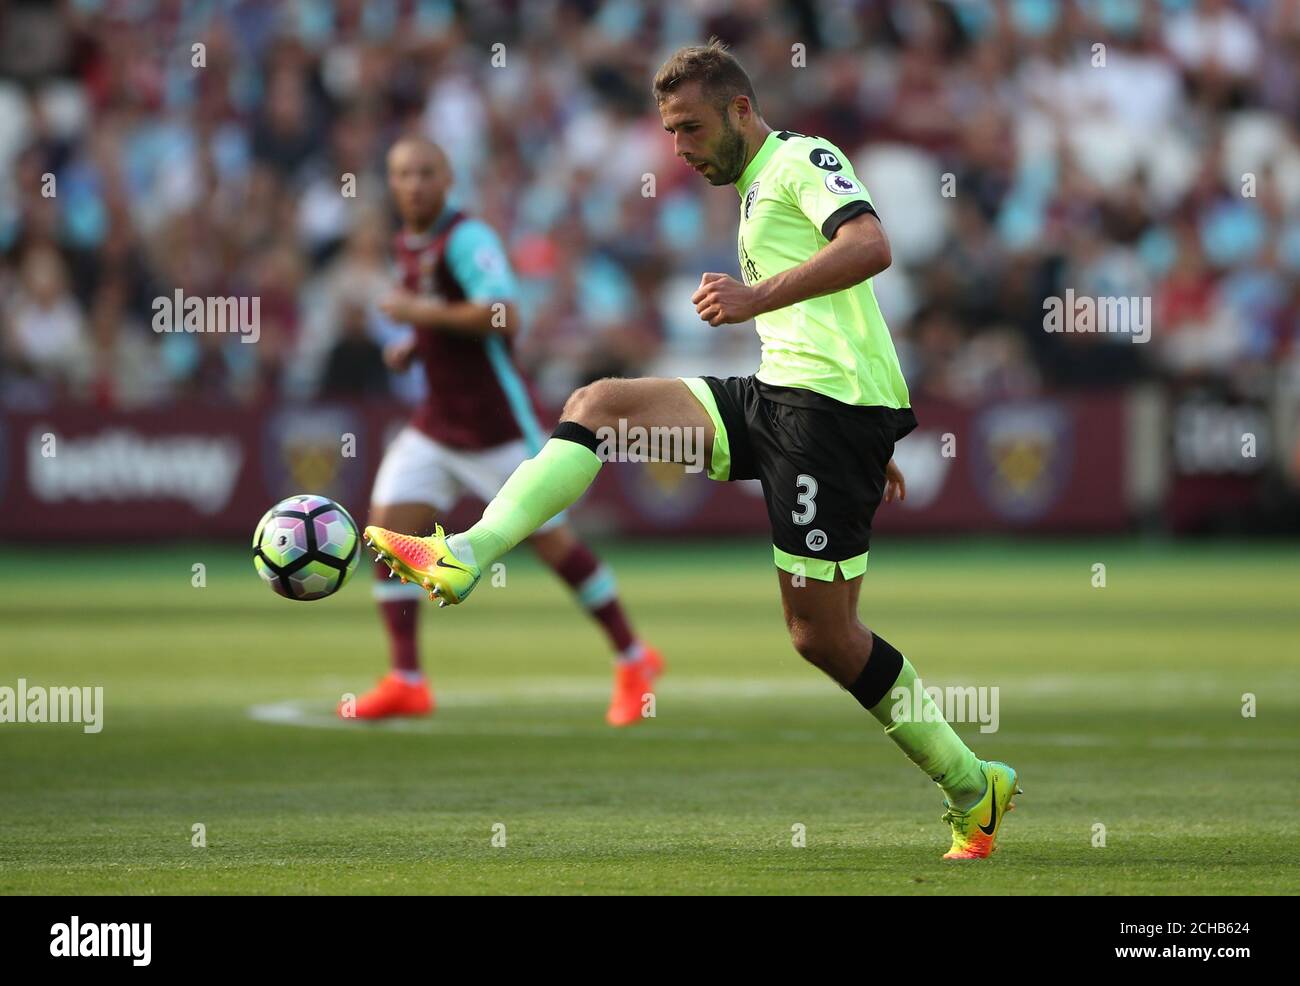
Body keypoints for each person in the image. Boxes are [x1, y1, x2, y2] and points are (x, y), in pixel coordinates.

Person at [365, 45, 1019, 859]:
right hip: (785, 401)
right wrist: (875, 419)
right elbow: (843, 320)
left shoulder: (802, 160)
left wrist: (792, 341)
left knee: (821, 635)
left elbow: (871, 246)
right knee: (598, 407)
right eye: (670, 131)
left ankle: (971, 784)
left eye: (690, 127)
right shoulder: (752, 193)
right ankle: (464, 554)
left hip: (823, 419)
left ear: (741, 110)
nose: (678, 148)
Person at [343, 136, 662, 726]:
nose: (414, 184)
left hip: (496, 429)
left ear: (447, 180)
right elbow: (446, 315)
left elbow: (503, 314)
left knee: (556, 548)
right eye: (403, 174)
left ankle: (633, 657)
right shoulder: (409, 243)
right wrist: (417, 345)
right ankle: (407, 680)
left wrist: (419, 318)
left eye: (425, 173)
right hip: (436, 426)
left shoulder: (467, 238)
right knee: (386, 537)